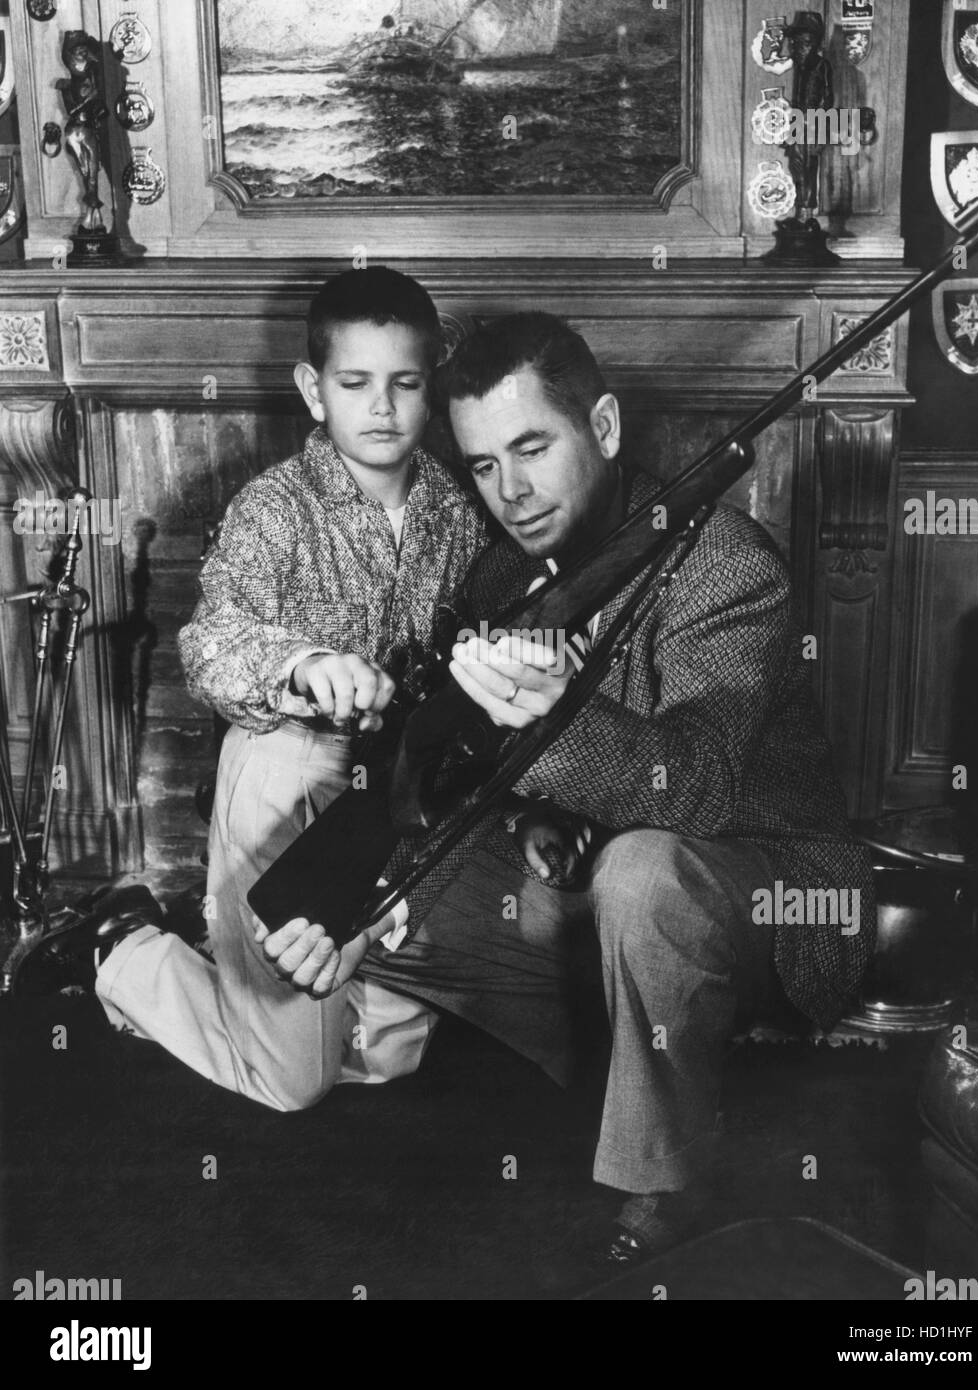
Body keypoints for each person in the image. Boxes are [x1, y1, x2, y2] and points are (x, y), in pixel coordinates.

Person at [266, 312, 877, 1286]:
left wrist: (555, 723)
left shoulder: (723, 563)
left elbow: (702, 785)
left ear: (601, 422)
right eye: (479, 465)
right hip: (593, 875)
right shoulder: (502, 573)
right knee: (391, 905)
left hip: (770, 888)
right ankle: (617, 1062)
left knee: (640, 875)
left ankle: (665, 1176)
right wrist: (357, 906)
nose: (510, 491)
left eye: (531, 447)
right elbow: (447, 785)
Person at [17, 266, 488, 1113]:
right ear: (314, 390)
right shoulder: (273, 506)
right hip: (284, 771)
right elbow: (210, 646)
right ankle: (123, 949)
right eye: (355, 384)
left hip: (395, 788)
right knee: (293, 1082)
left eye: (405, 384)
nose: (381, 408)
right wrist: (303, 665)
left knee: (388, 1057)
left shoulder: (454, 510)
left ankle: (231, 977)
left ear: (432, 390)